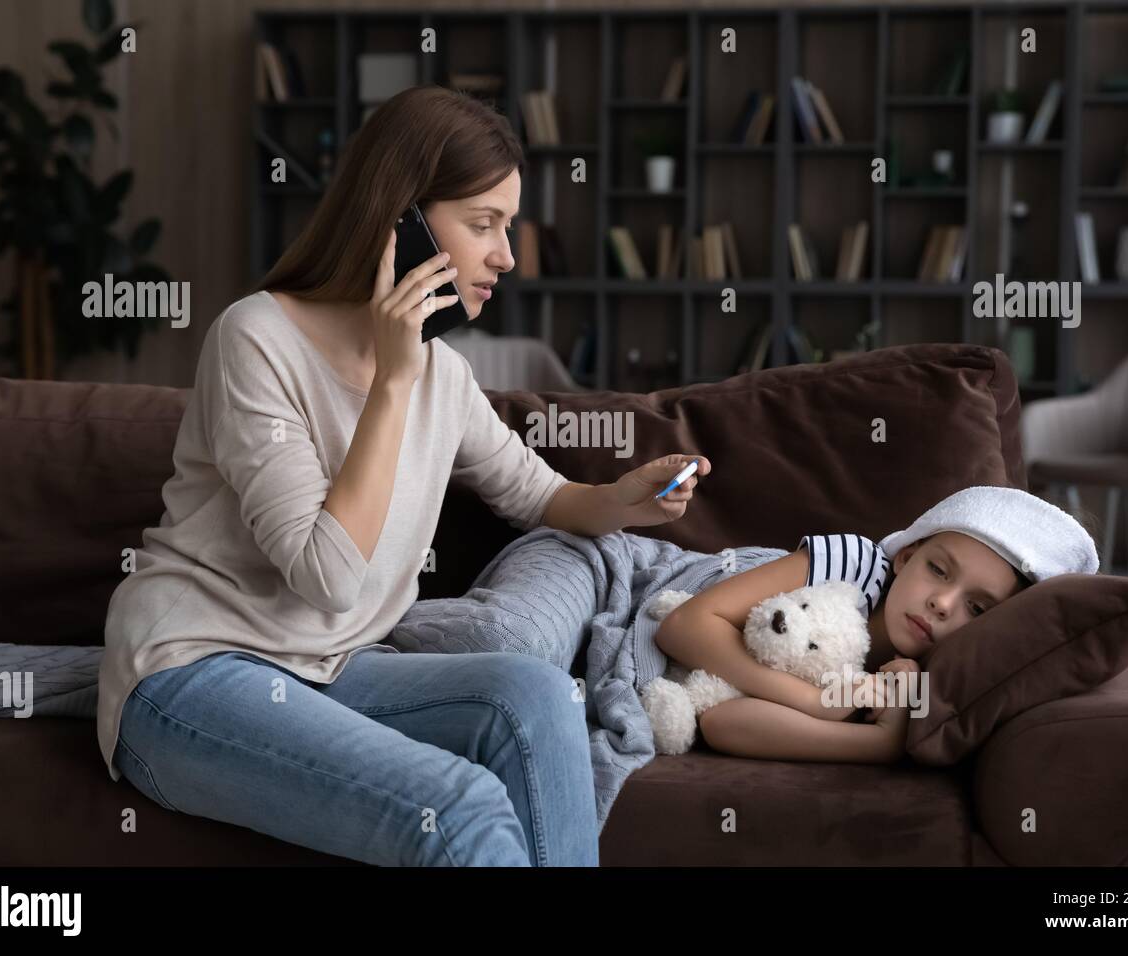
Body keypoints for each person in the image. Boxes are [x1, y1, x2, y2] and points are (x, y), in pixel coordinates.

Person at [97, 85, 712, 867]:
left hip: (332, 671)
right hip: (195, 673)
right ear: (402, 225)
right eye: (483, 224)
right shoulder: (254, 339)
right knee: (460, 808)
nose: (506, 256)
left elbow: (536, 494)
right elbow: (326, 576)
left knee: (540, 696)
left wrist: (620, 500)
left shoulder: (444, 377)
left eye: (508, 227)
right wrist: (392, 381)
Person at [653, 485, 1100, 763]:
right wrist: (815, 701)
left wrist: (882, 744)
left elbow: (723, 722)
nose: (942, 602)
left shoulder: (914, 685)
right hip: (653, 582)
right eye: (939, 570)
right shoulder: (854, 565)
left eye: (978, 609)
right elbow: (682, 624)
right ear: (906, 557)